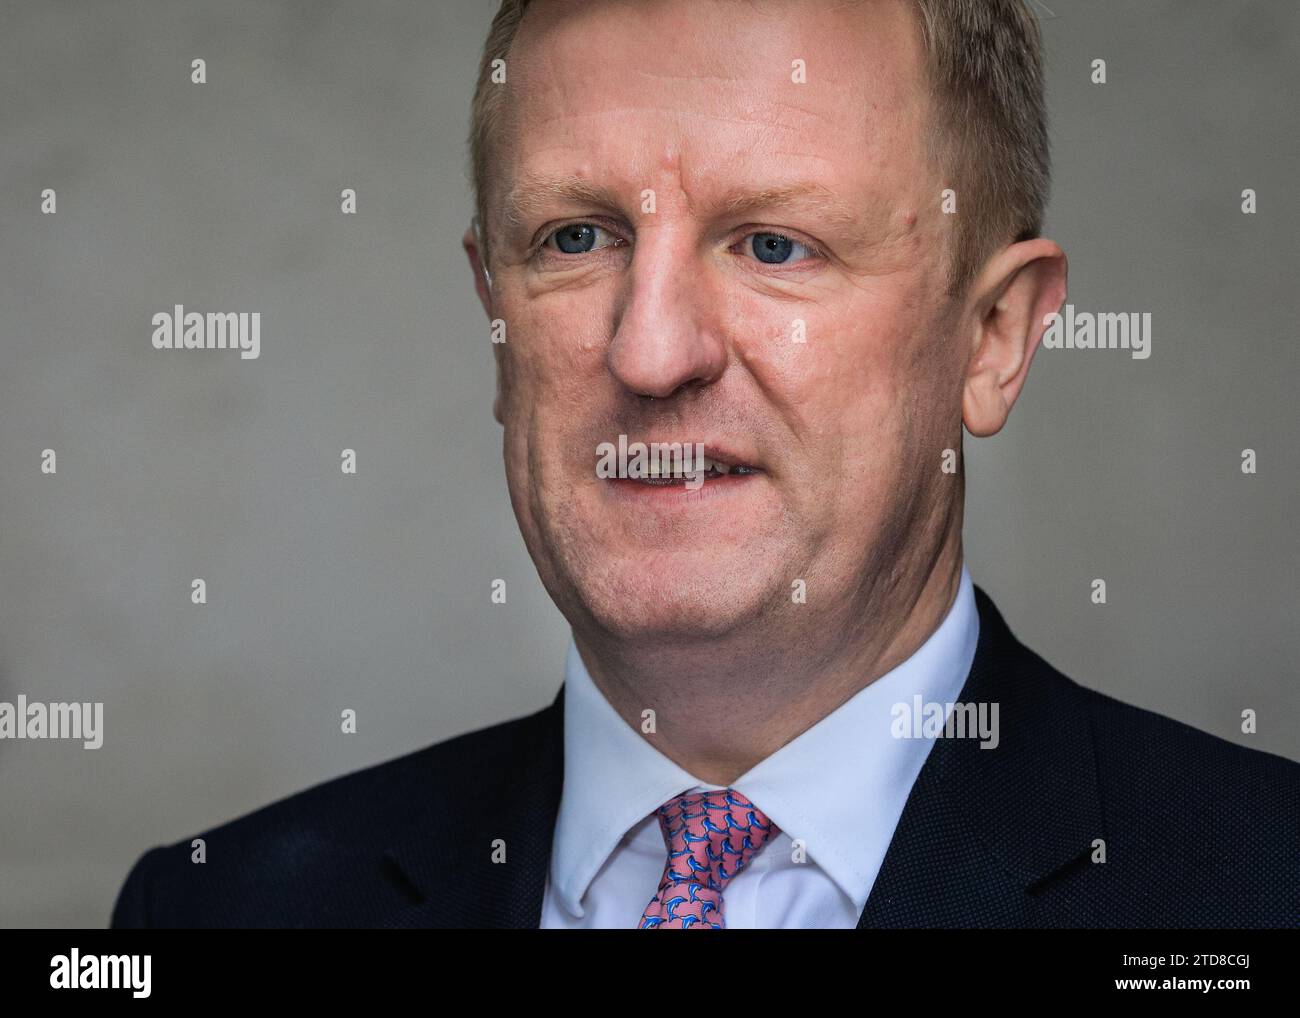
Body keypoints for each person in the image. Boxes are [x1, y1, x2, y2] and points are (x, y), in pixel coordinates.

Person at [111, 0, 1299, 929]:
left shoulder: (1256, 883)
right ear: (493, 312)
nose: (649, 347)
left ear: (993, 338)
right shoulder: (220, 908)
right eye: (575, 238)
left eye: (774, 244)